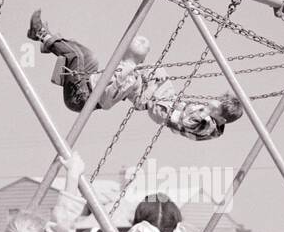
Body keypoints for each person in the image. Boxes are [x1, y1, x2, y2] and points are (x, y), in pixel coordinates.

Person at [29, 10, 244, 141]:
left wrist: (202, 113)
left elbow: (187, 120)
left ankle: (41, 34)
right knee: (87, 55)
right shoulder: (134, 79)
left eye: (211, 107)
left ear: (220, 117)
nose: (206, 104)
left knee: (76, 56)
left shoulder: (205, 125)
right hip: (91, 84)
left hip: (82, 98)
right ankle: (52, 50)